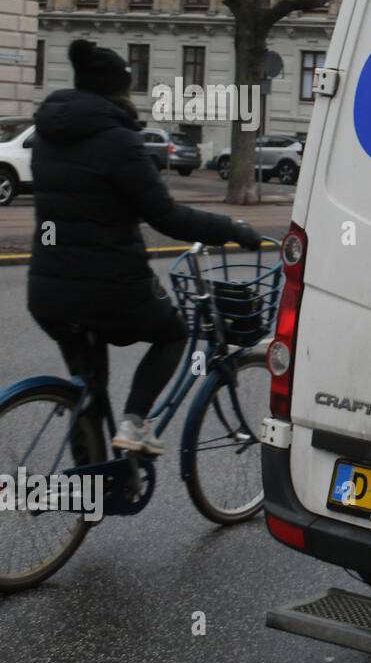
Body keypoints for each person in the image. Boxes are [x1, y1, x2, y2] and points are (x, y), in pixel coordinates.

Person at [28, 39, 262, 457]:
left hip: (48, 289)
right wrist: (231, 228)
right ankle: (135, 424)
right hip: (107, 284)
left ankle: (94, 481)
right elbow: (166, 217)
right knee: (172, 332)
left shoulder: (47, 136)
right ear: (117, 90)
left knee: (90, 390)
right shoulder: (118, 140)